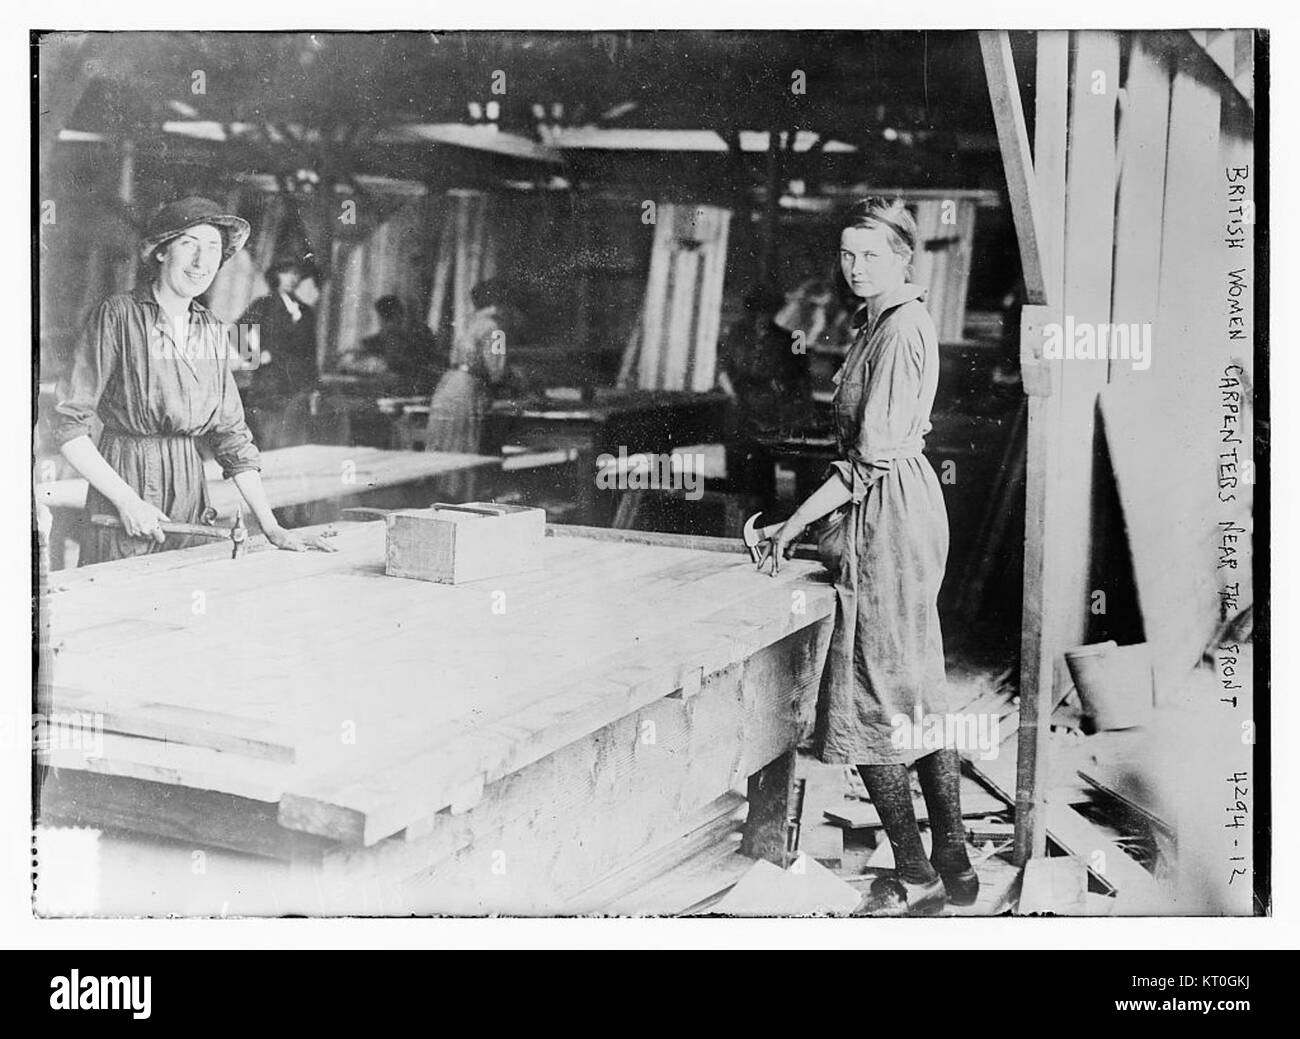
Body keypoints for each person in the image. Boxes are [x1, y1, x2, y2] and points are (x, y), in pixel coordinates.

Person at [757, 197, 972, 916]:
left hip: (885, 513)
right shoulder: (882, 318)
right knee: (915, 684)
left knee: (869, 693)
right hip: (901, 505)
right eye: (848, 255)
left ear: (906, 257)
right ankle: (957, 862)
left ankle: (915, 875)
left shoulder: (899, 327)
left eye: (871, 256)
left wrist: (791, 523)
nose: (855, 268)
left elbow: (865, 463)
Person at [53, 196, 335, 563]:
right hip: (127, 478)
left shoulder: (212, 329)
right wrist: (126, 501)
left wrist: (272, 526)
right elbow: (68, 426)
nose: (202, 262)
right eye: (189, 245)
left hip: (190, 487)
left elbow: (232, 436)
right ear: (160, 252)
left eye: (213, 248)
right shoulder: (117, 316)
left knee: (182, 601)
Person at [424, 279, 511, 498]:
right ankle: (461, 498)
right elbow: (496, 370)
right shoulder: (494, 329)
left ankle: (446, 495)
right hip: (466, 388)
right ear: (499, 302)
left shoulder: (471, 323)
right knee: (462, 444)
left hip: (449, 384)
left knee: (447, 443)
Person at [338, 295, 445, 394]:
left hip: (411, 383)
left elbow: (396, 361)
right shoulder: (399, 331)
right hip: (419, 381)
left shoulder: (396, 332)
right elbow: (372, 344)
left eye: (379, 317)